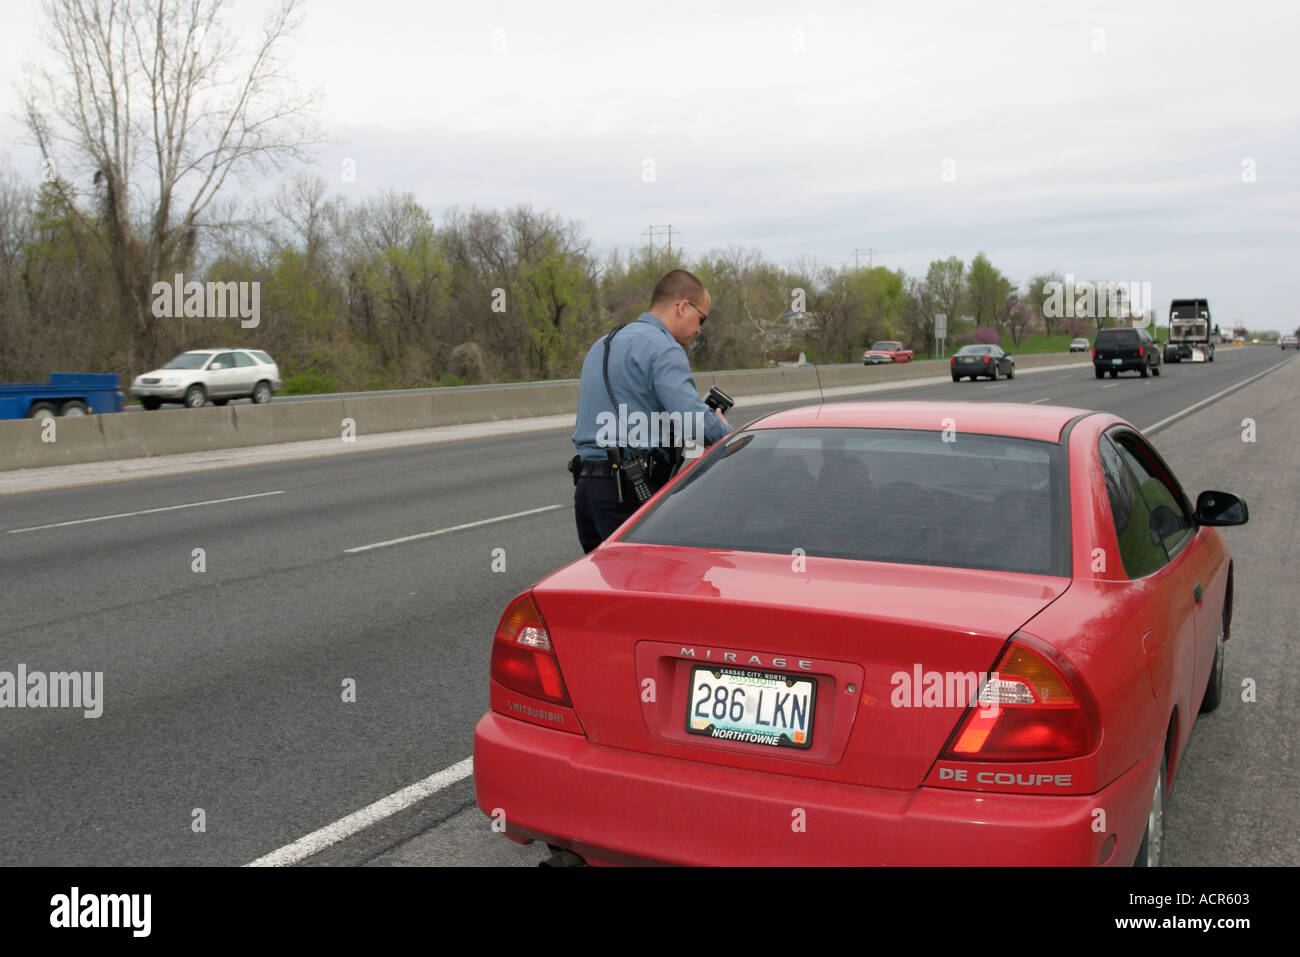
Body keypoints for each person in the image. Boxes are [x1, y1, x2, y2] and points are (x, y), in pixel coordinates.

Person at [571, 269, 731, 553]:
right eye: (701, 319)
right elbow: (694, 424)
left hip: (587, 491)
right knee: (652, 587)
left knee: (602, 592)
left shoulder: (602, 343)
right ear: (683, 307)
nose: (699, 330)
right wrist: (731, 436)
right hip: (628, 491)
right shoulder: (663, 348)